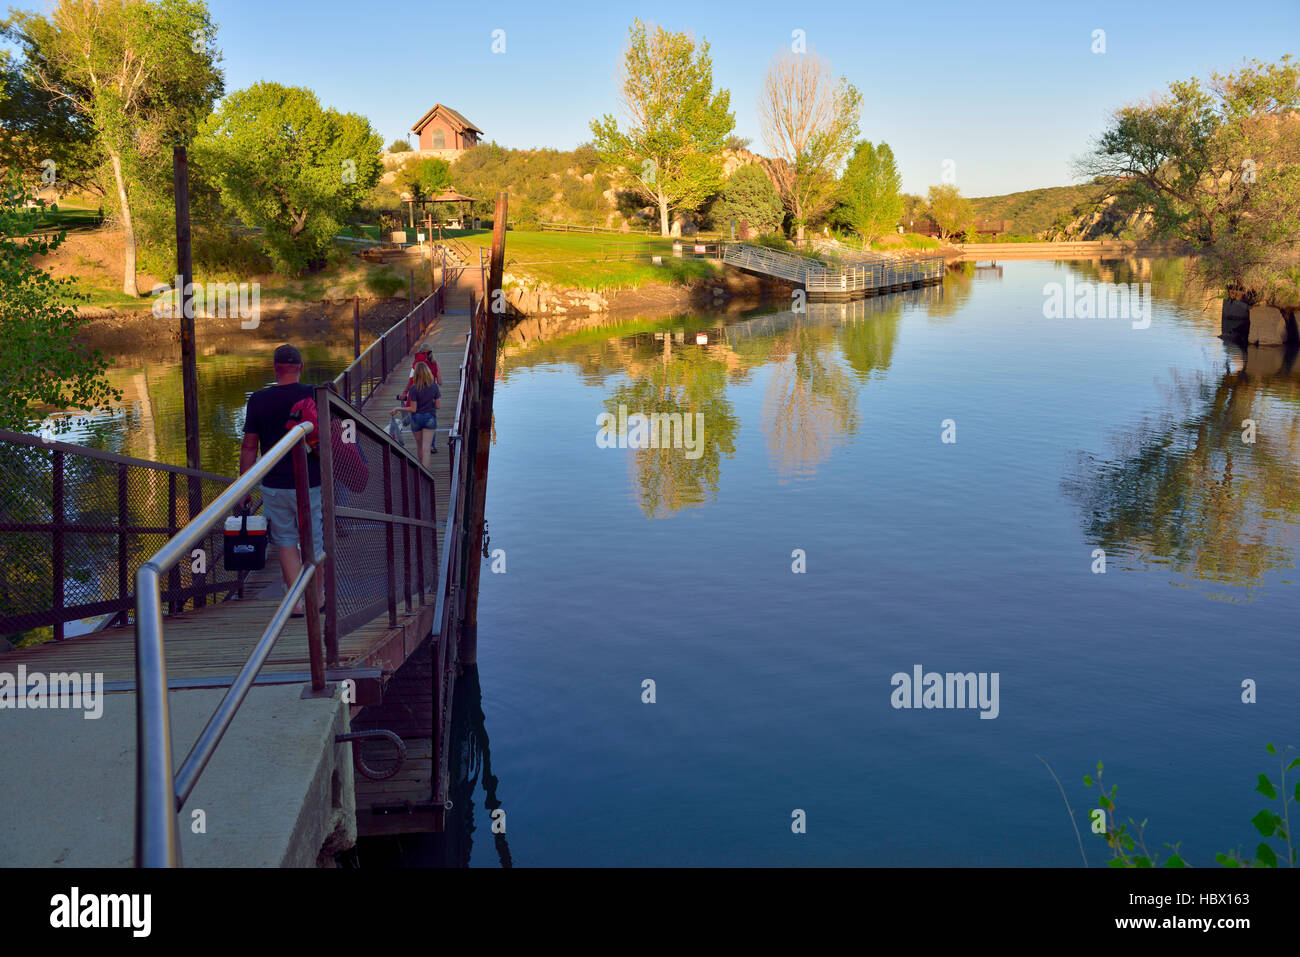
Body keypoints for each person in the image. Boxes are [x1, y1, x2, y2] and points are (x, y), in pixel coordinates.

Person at [238, 344, 324, 618]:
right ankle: (317, 599)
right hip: (311, 481)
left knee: (286, 540)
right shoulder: (314, 394)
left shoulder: (258, 400)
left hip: (274, 484)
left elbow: (249, 446)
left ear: (275, 369)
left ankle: (296, 603)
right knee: (315, 541)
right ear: (300, 367)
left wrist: (244, 487)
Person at [393, 360, 439, 469]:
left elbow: (413, 409)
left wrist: (398, 408)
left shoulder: (413, 388)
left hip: (417, 419)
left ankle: (421, 472)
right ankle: (426, 473)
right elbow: (438, 406)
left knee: (419, 447)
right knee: (426, 448)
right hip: (430, 418)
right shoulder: (434, 387)